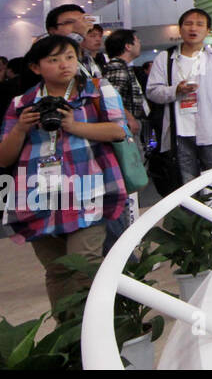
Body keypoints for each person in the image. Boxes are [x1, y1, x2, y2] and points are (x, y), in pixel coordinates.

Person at [1, 35, 127, 319]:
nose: (64, 65)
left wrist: (73, 125)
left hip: (89, 190)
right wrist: (20, 129)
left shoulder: (96, 90)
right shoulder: (21, 103)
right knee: (57, 271)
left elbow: (118, 132)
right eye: (53, 59)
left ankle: (99, 330)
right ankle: (68, 340)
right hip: (37, 195)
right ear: (36, 67)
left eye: (69, 57)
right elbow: (4, 158)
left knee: (85, 263)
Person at [146, 9, 212, 183]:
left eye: (199, 24)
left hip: (211, 130)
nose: (193, 28)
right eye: (188, 24)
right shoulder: (165, 58)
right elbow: (152, 91)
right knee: (186, 183)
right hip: (179, 133)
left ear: (208, 30)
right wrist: (175, 91)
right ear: (180, 29)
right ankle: (191, 211)